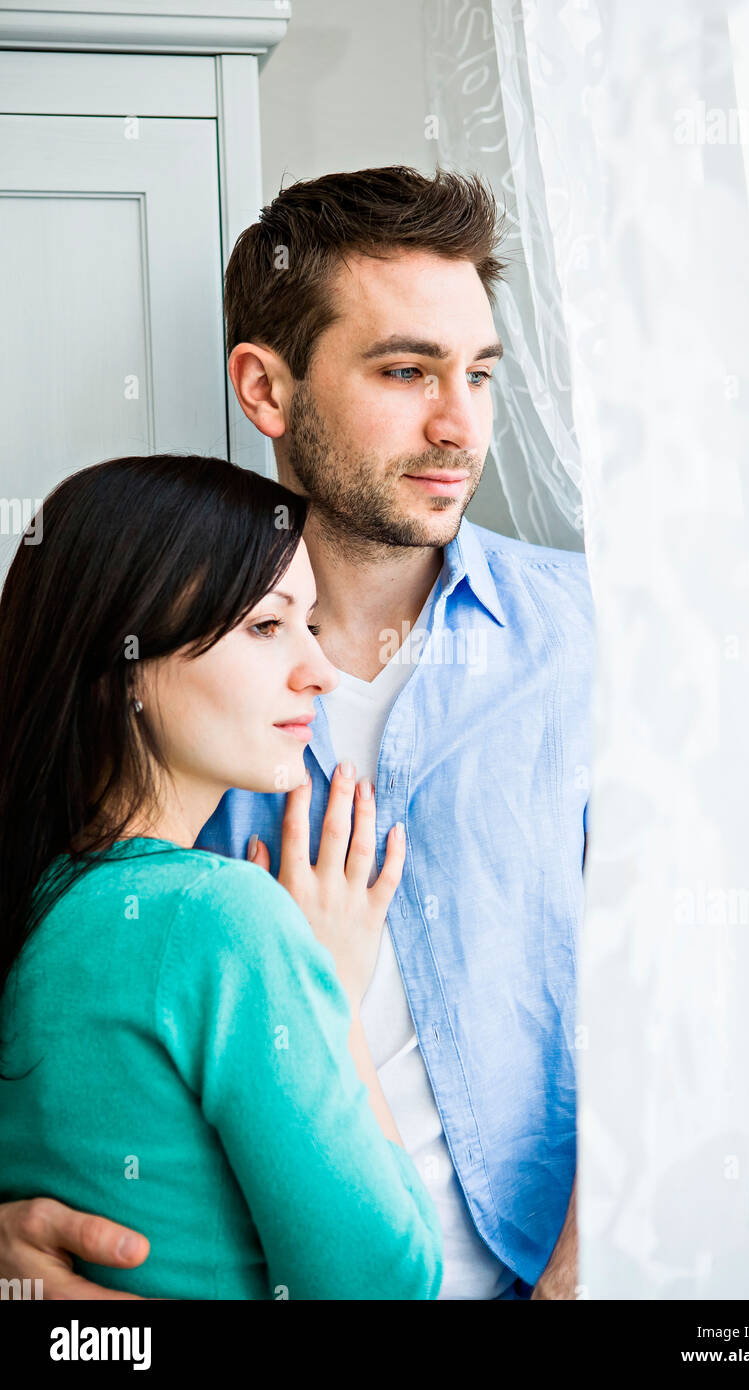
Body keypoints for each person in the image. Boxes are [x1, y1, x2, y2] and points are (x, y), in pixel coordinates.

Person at [0, 167, 593, 1300]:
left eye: (477, 373)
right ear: (266, 388)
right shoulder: (150, 668)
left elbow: (690, 981)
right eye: (405, 369)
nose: (458, 424)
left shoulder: (590, 638)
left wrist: (587, 1267)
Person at [0, 454, 442, 1300]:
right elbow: (389, 1286)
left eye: (310, 625)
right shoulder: (220, 918)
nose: (318, 669)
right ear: (126, 657)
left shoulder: (40, 906)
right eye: (267, 627)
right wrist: (335, 1003)